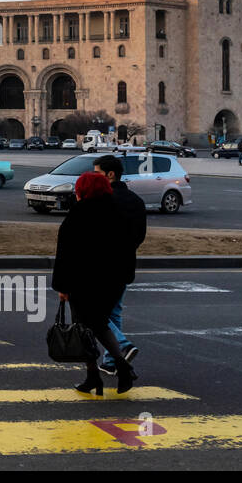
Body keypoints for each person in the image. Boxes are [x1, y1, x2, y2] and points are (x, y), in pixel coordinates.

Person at [51, 171, 137, 395]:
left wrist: (62, 287)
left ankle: (99, 375)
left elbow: (66, 255)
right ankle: (112, 371)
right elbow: (129, 249)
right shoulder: (118, 212)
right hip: (113, 282)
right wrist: (125, 277)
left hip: (83, 283)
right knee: (98, 325)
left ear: (82, 191)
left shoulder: (78, 215)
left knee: (84, 328)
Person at [93, 154, 146, 376]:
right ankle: (111, 361)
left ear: (110, 174)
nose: (95, 178)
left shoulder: (103, 200)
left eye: (97, 174)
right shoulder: (136, 200)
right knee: (113, 312)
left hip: (103, 265)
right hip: (125, 264)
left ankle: (123, 345)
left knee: (93, 313)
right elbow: (139, 236)